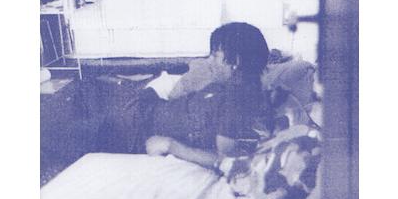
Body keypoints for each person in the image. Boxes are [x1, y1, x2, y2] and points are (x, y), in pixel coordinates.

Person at [102, 22, 274, 171]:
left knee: (88, 126)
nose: (209, 61)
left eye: (215, 55)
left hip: (134, 129)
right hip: (141, 109)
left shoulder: (236, 102)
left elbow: (226, 161)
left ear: (235, 61)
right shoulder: (230, 88)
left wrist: (170, 145)